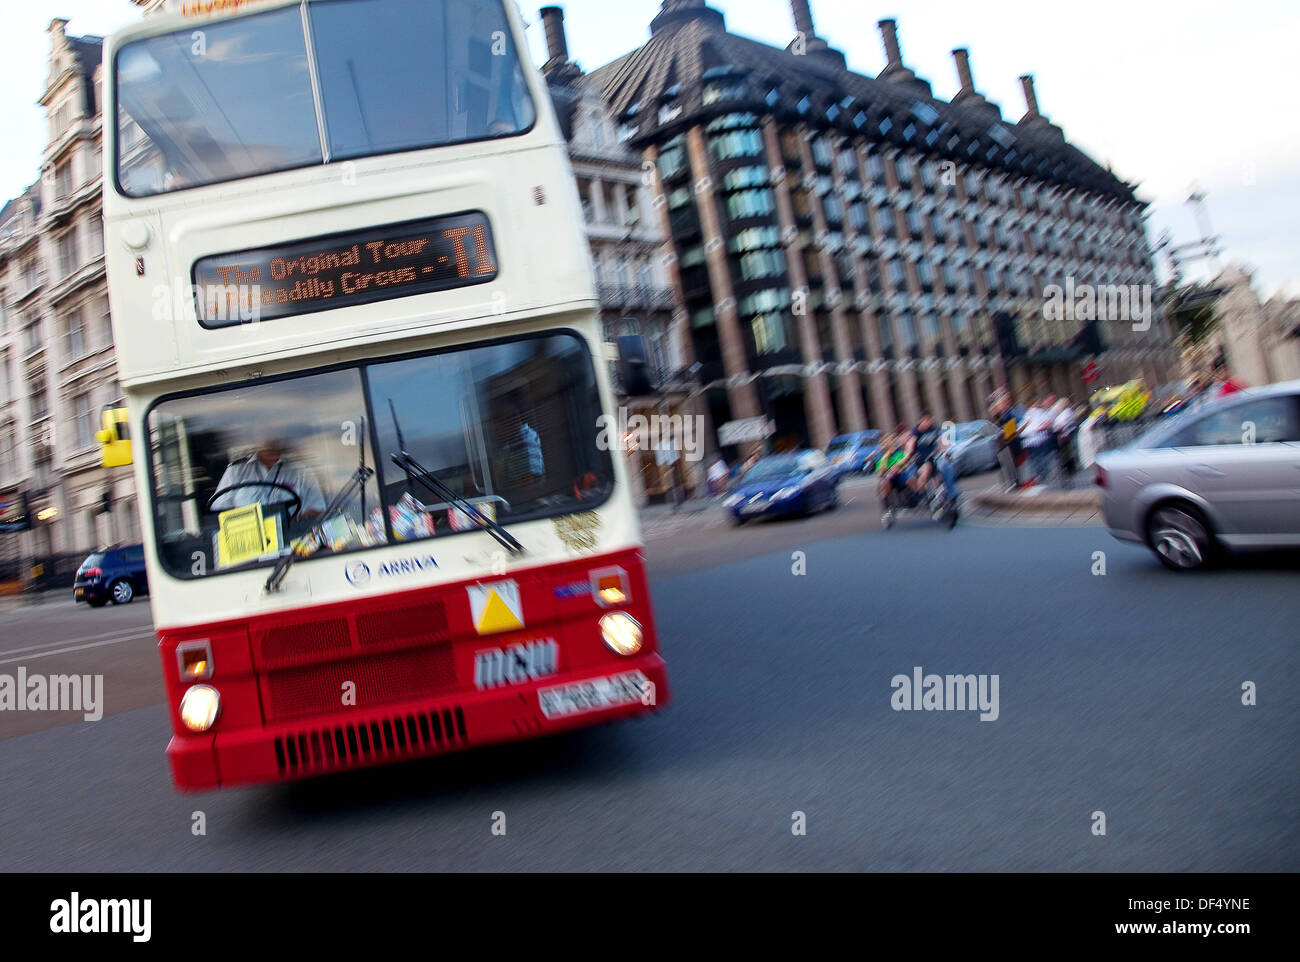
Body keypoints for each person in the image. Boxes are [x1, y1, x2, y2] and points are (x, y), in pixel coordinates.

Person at [211, 438, 326, 520]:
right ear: (255, 437)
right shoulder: (236, 472)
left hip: (293, 544)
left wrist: (297, 520)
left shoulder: (301, 472)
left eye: (274, 434)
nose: (269, 440)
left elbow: (318, 511)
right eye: (264, 434)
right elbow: (218, 515)